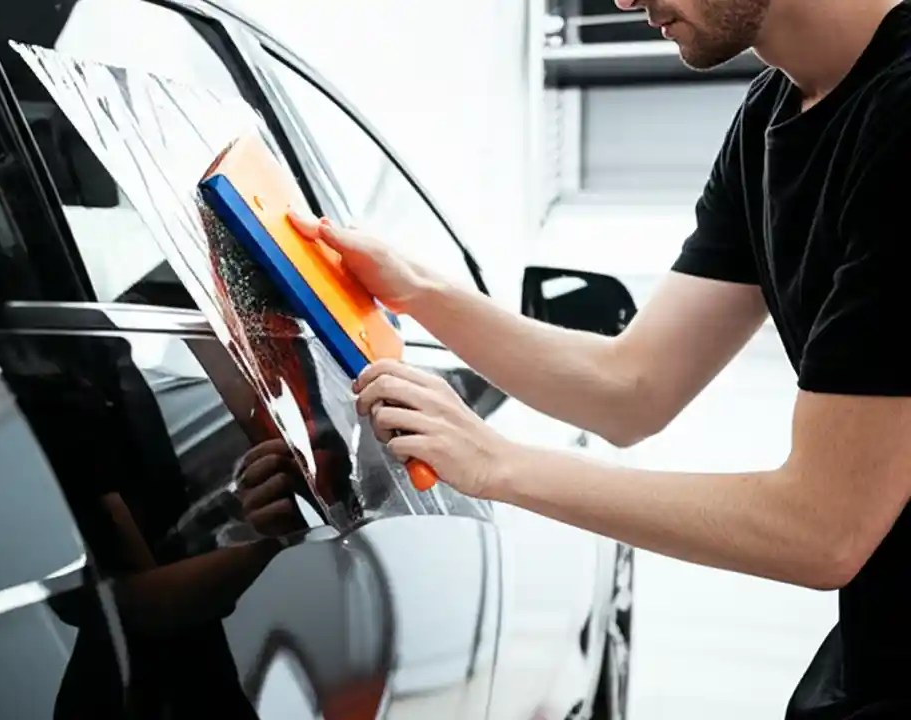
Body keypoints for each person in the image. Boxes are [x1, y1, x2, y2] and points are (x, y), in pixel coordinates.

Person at [288, 0, 911, 717]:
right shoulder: (770, 119)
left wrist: (498, 464)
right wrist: (419, 292)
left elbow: (823, 528)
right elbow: (631, 387)